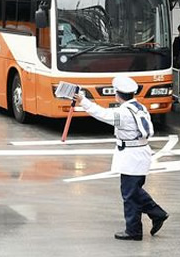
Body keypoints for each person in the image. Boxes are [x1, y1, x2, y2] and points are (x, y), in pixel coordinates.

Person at [73, 76, 170, 241]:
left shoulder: (123, 113)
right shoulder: (140, 107)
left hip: (131, 155)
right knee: (134, 190)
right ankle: (157, 214)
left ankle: (134, 230)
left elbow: (102, 114)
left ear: (117, 95)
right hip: (140, 153)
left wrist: (83, 101)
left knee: (129, 195)